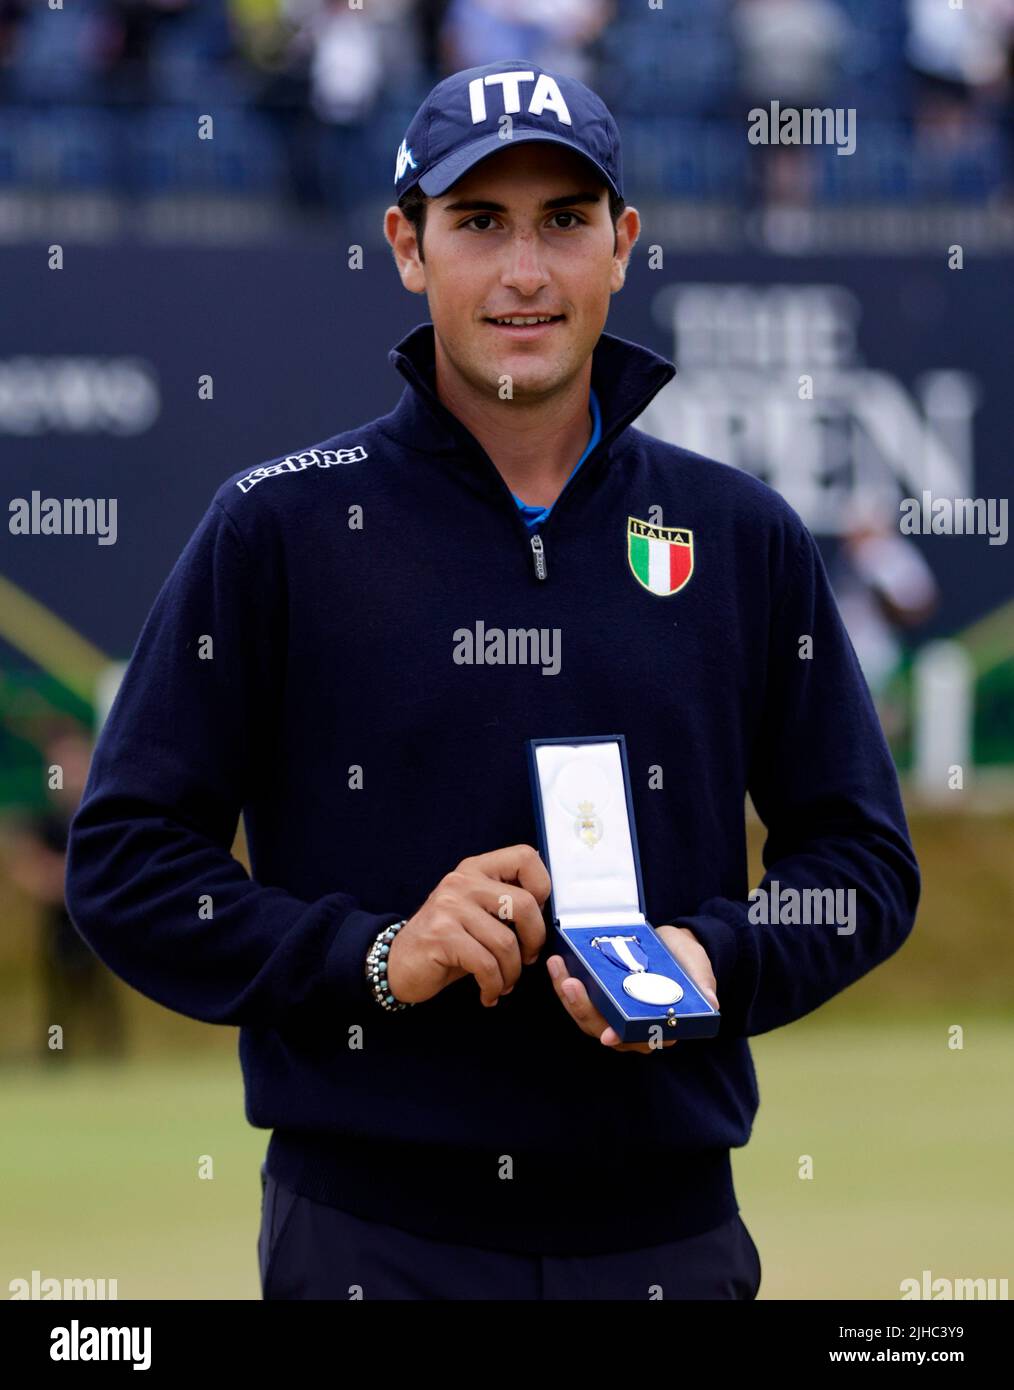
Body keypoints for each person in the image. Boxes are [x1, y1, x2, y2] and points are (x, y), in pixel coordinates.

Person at [65, 59, 920, 1300]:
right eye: (479, 222)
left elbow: (862, 863)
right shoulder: (277, 530)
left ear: (623, 245)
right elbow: (128, 860)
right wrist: (371, 957)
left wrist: (715, 955)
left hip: (668, 1238)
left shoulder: (741, 534)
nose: (525, 271)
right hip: (371, 1240)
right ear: (407, 246)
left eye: (564, 222)